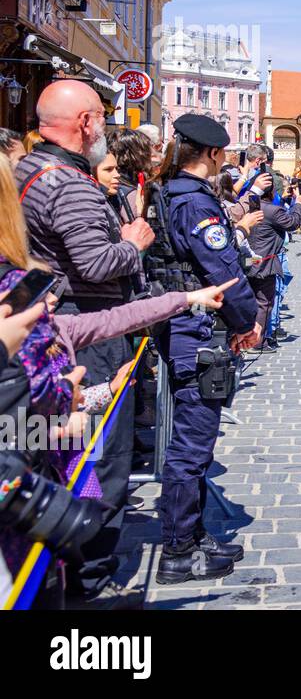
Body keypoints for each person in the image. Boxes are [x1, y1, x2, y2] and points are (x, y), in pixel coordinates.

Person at [14, 79, 155, 602]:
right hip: (89, 329)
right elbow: (96, 264)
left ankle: (63, 562)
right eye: (102, 115)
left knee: (63, 451)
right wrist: (132, 243)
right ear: (84, 123)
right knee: (98, 455)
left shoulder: (25, 170)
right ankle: (90, 573)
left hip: (42, 324)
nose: (108, 127)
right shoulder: (70, 183)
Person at [154, 113, 261, 585]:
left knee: (194, 441)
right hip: (197, 333)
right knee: (192, 445)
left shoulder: (171, 194)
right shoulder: (197, 204)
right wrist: (247, 322)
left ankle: (194, 535)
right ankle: (179, 550)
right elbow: (225, 272)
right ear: (215, 155)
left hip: (189, 328)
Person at [243, 145, 301, 351]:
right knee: (264, 302)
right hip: (265, 263)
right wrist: (300, 203)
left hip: (247, 260)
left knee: (249, 299)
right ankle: (257, 340)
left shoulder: (249, 206)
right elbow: (293, 223)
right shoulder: (271, 210)